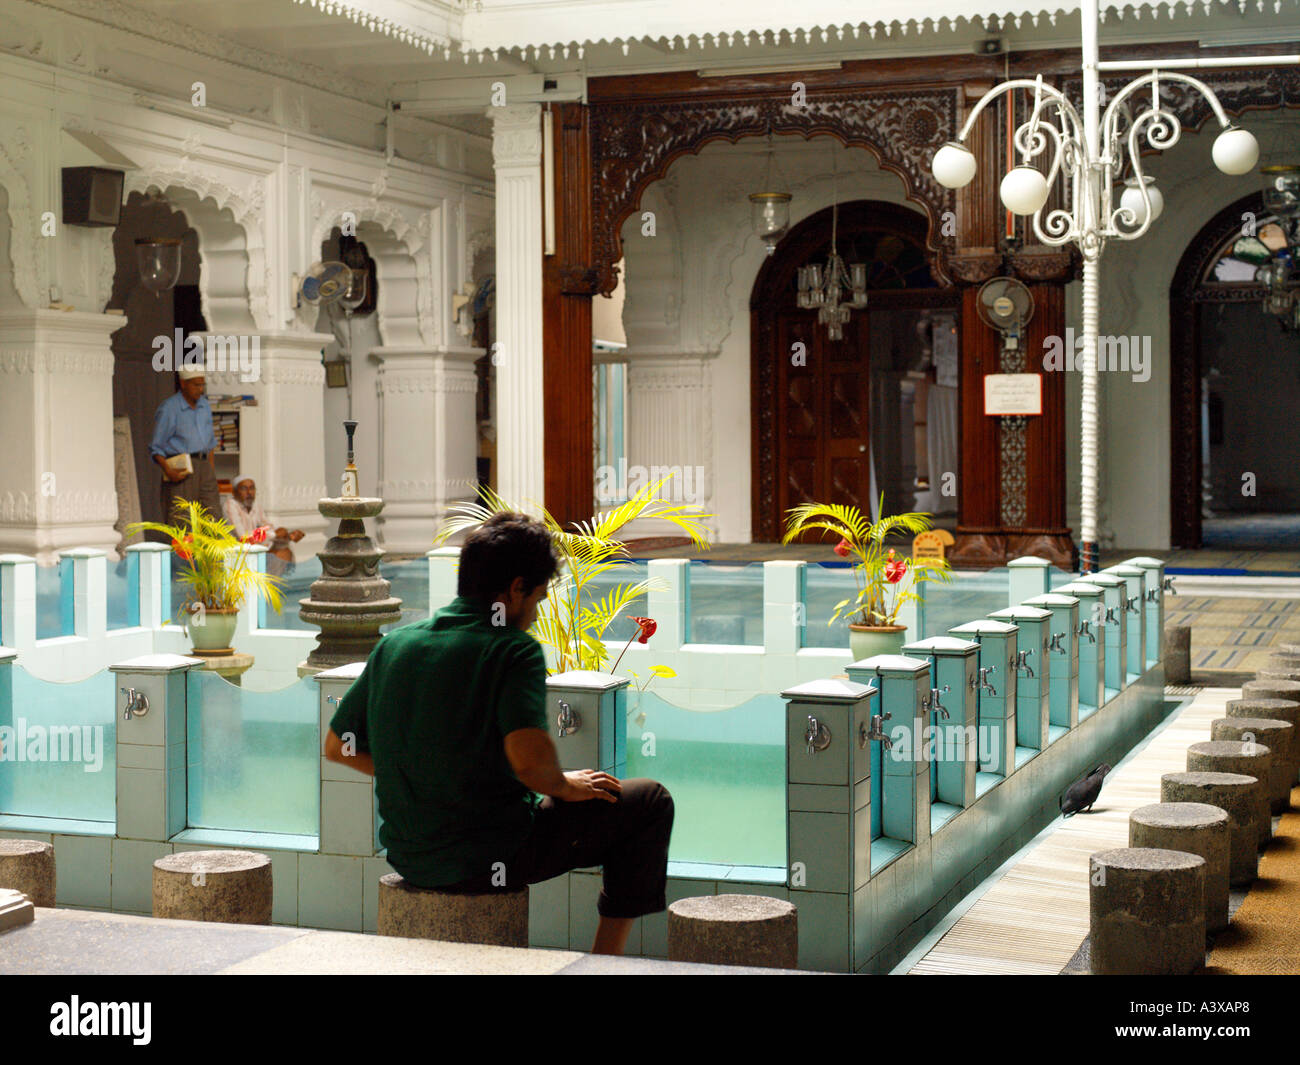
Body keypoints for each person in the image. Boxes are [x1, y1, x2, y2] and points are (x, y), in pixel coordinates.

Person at [323, 511, 674, 956]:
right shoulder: (511, 648)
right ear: (515, 589)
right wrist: (567, 785)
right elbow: (529, 765)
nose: (535, 613)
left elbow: (338, 746)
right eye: (539, 598)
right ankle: (605, 961)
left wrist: (418, 773)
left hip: (409, 857)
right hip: (490, 857)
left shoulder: (396, 645)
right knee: (648, 802)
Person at [149, 368, 221, 526]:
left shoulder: (204, 406)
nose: (200, 389)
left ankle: (210, 551)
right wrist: (168, 470)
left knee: (213, 517)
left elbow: (211, 444)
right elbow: (156, 448)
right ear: (183, 383)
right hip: (182, 468)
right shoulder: (169, 408)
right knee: (183, 520)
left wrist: (211, 471)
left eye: (202, 385)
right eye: (196, 385)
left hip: (204, 466)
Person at [223, 476, 304, 576]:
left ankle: (271, 588)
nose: (249, 492)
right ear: (234, 492)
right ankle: (265, 587)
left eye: (252, 488)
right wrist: (275, 534)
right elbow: (243, 537)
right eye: (244, 488)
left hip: (255, 551)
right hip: (237, 555)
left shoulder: (255, 505)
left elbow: (268, 526)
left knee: (284, 551)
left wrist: (288, 535)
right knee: (275, 555)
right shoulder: (230, 505)